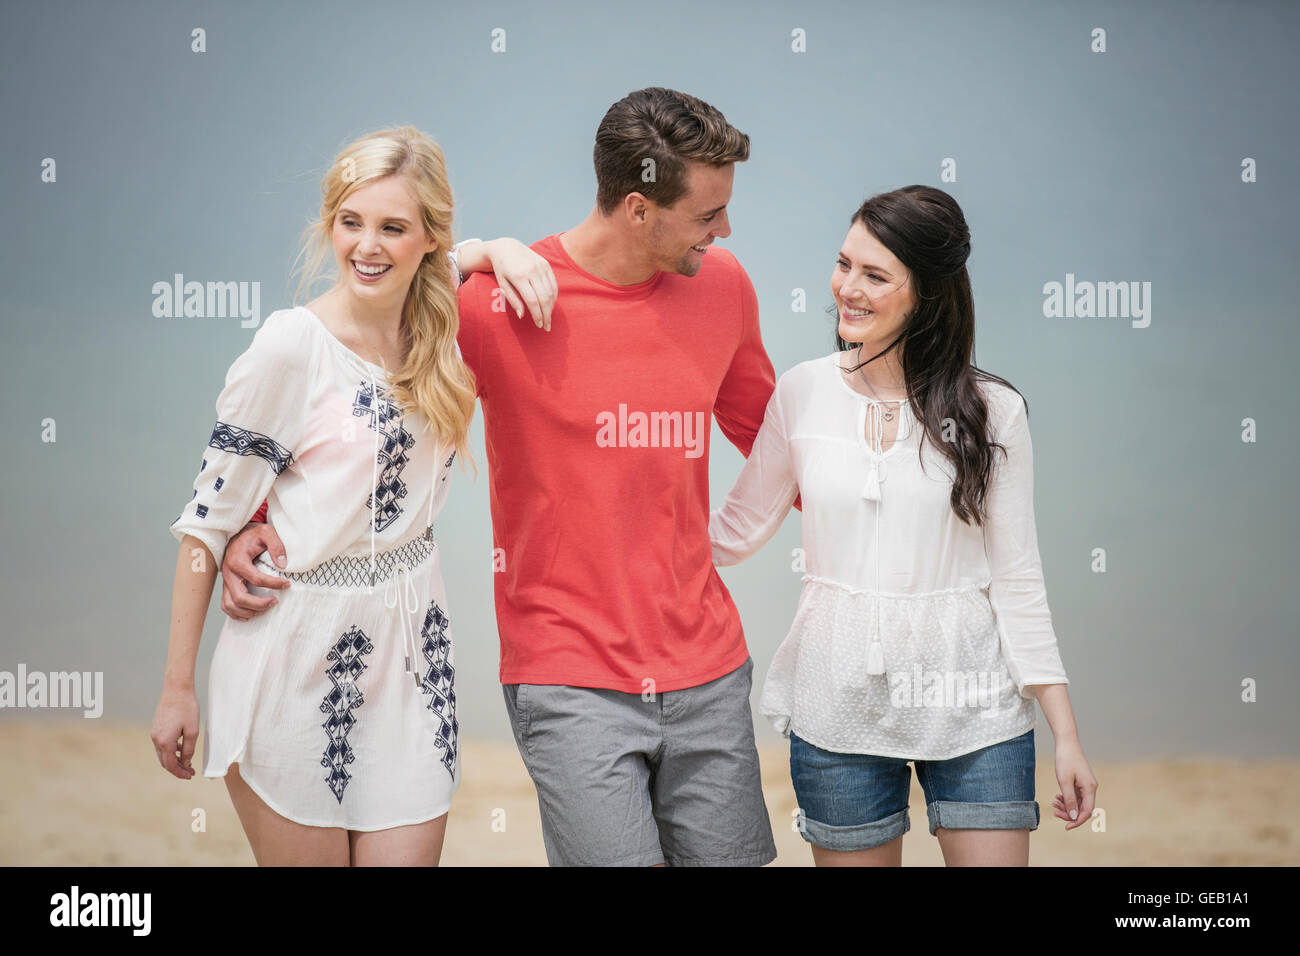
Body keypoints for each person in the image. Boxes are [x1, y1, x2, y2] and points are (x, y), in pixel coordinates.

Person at [220, 88, 783, 867]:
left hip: (710, 672)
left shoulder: (724, 288)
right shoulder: (495, 306)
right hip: (568, 675)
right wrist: (250, 520)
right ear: (638, 208)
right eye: (708, 214)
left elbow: (782, 442)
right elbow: (358, 403)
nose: (724, 231)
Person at [150, 125, 557, 867]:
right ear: (329, 224)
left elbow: (456, 266)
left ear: (429, 236)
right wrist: (177, 688)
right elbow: (207, 526)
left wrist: (499, 249)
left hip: (413, 653)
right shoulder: (289, 347)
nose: (368, 247)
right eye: (350, 222)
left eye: (393, 227)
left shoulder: (438, 324)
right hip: (295, 659)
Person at [709, 185, 1098, 866]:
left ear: (927, 294)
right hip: (837, 708)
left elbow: (1017, 579)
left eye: (875, 275)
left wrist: (1065, 734)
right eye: (844, 264)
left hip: (977, 706)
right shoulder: (802, 392)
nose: (846, 289)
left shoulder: (992, 411)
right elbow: (732, 534)